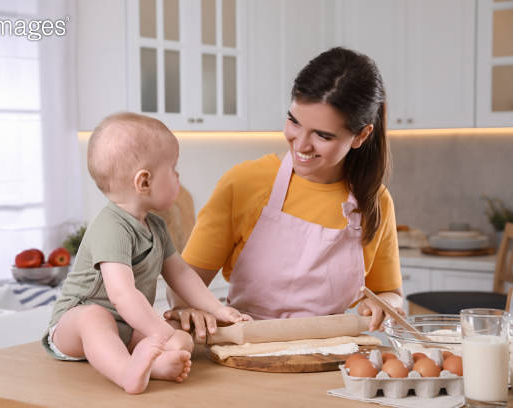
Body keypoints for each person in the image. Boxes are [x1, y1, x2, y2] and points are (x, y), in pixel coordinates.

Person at [165, 47, 404, 340]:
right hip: (245, 353)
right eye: (294, 121)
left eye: (322, 135)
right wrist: (188, 309)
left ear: (361, 135)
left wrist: (384, 305)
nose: (301, 144)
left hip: (330, 362)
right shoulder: (244, 183)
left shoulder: (374, 202)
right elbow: (184, 285)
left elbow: (390, 293)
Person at [41, 112, 249, 394]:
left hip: (123, 328)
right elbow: (122, 295)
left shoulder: (156, 226)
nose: (178, 177)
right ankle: (127, 373)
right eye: (173, 170)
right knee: (96, 317)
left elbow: (182, 274)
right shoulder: (111, 226)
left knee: (182, 340)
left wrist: (217, 308)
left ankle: (155, 367)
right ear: (144, 182)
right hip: (73, 328)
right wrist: (160, 333)